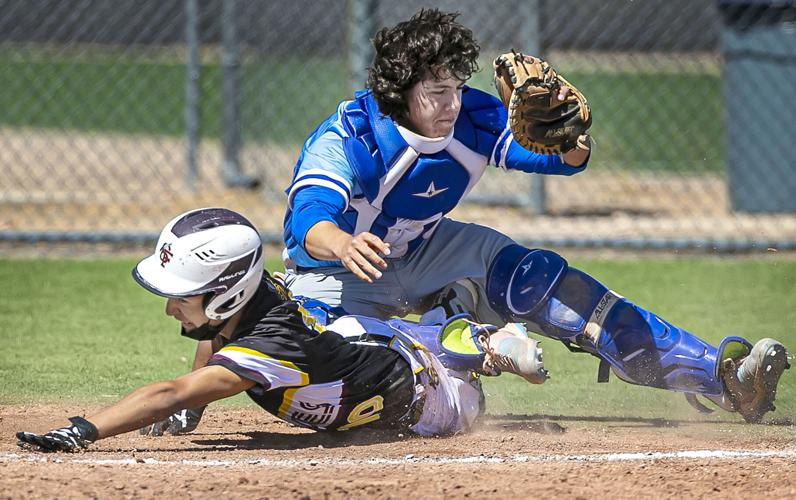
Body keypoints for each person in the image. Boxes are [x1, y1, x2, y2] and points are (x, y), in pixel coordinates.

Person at [276, 8, 790, 423]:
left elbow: (566, 162)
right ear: (397, 92)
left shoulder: (472, 119)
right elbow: (309, 220)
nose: (452, 102)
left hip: (424, 250)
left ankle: (723, 380)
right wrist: (342, 243)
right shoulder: (349, 139)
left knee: (538, 281)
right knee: (343, 348)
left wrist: (568, 140)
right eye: (436, 92)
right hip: (334, 275)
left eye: (456, 85)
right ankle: (459, 337)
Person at [16, 208, 547, 452]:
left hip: (429, 399)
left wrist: (85, 430)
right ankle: (448, 320)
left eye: (181, 295)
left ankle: (471, 334)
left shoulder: (267, 347)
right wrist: (193, 410)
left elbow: (169, 392)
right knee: (367, 334)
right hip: (366, 343)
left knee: (459, 385)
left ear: (225, 292)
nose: (170, 308)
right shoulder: (243, 305)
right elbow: (213, 335)